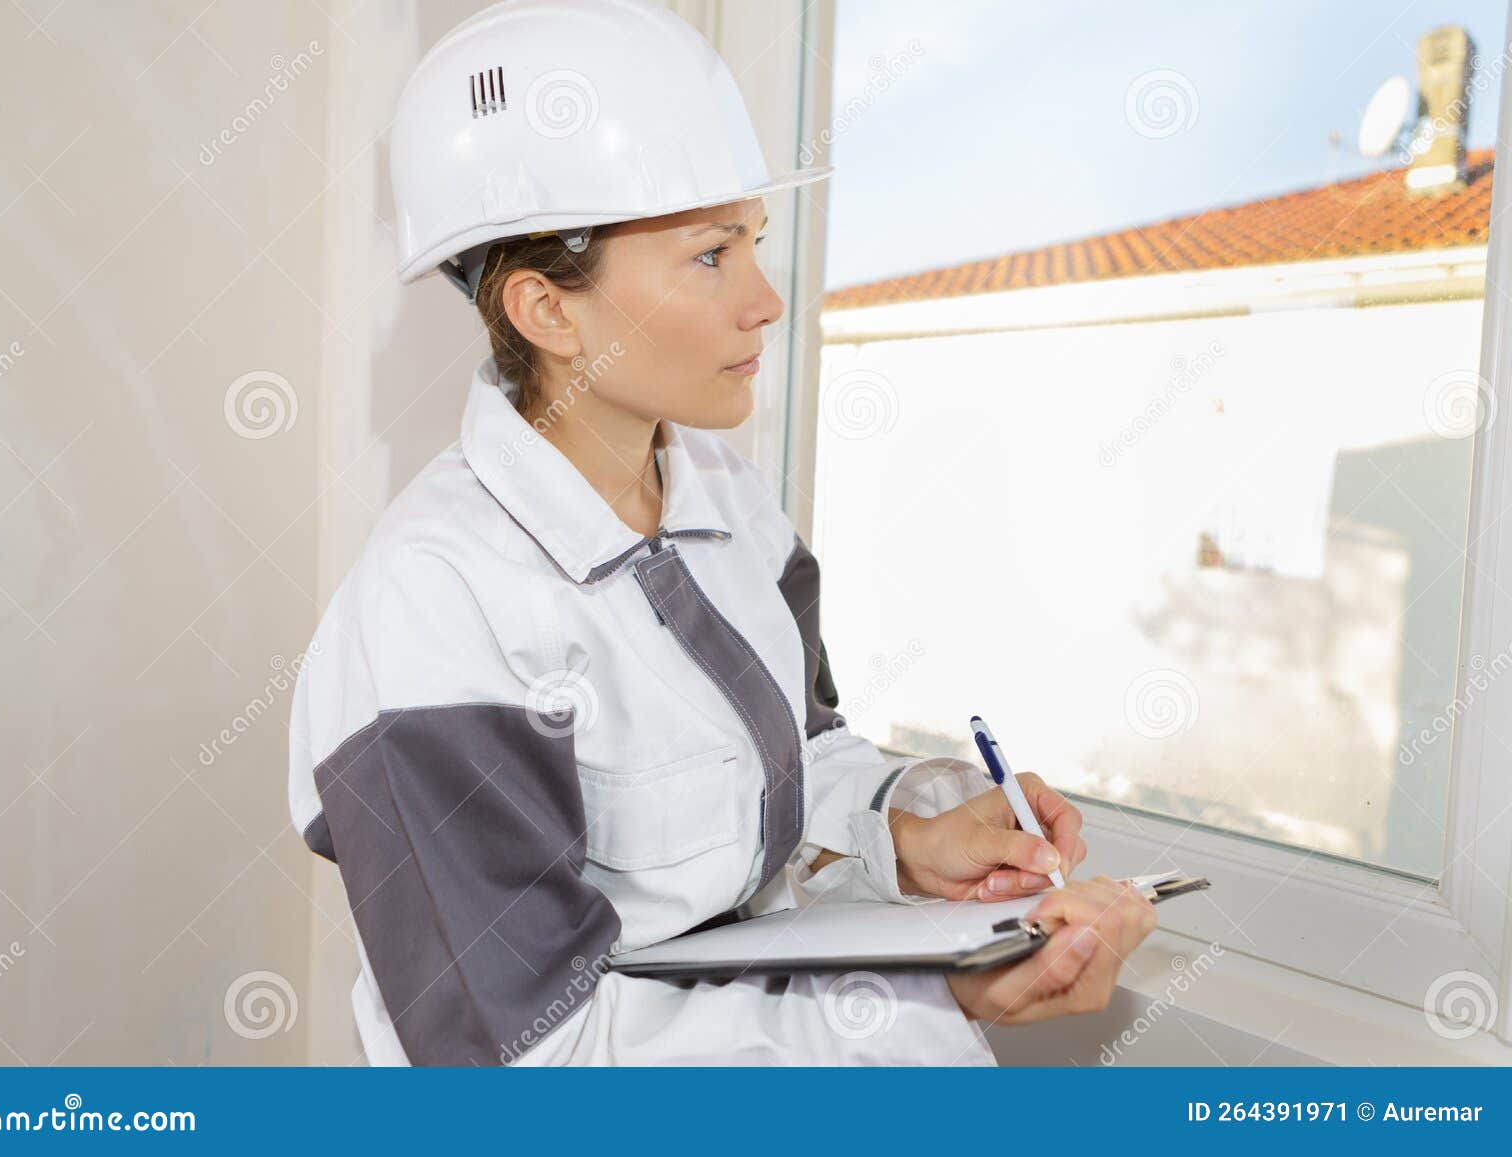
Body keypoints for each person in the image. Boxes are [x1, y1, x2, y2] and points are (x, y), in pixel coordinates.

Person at [286, 0, 1157, 1066]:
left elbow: (801, 746)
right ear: (548, 312)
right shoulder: (431, 609)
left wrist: (906, 830)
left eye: (754, 240)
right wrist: (935, 1003)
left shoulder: (732, 506)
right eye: (708, 256)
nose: (766, 299)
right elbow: (521, 1062)